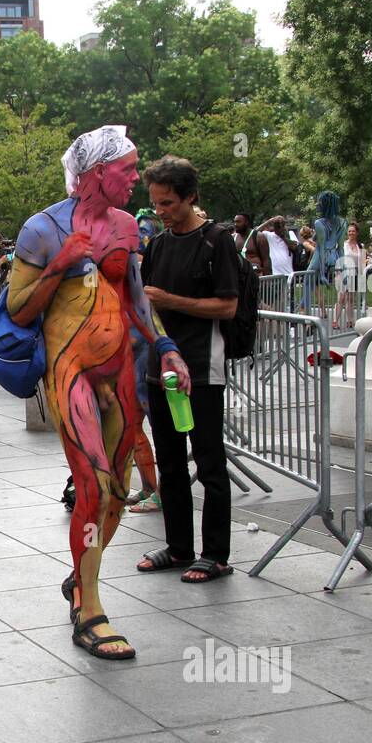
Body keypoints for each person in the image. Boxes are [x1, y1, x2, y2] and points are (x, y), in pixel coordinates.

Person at [8, 126, 187, 660]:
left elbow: (134, 298)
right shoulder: (41, 229)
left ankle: (80, 578)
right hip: (71, 373)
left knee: (119, 494)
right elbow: (19, 309)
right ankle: (91, 611)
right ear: (93, 174)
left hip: (122, 373)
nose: (136, 178)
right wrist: (59, 267)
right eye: (127, 169)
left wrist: (166, 346)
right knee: (94, 486)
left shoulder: (129, 227)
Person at [135, 155, 236, 584]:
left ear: (191, 197)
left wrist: (170, 300)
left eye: (170, 203)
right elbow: (144, 303)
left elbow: (227, 306)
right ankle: (179, 547)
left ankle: (215, 554)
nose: (161, 212)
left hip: (202, 367)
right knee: (170, 462)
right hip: (161, 368)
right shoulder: (157, 244)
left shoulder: (217, 242)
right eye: (156, 203)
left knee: (210, 462)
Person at [336, 220, 366, 329]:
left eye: (353, 231)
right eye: (349, 231)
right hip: (344, 273)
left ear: (357, 233)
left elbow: (362, 262)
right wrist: (338, 273)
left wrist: (362, 277)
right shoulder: (343, 245)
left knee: (350, 299)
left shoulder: (361, 246)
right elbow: (338, 259)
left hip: (355, 274)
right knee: (341, 298)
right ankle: (336, 320)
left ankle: (350, 320)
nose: (351, 233)